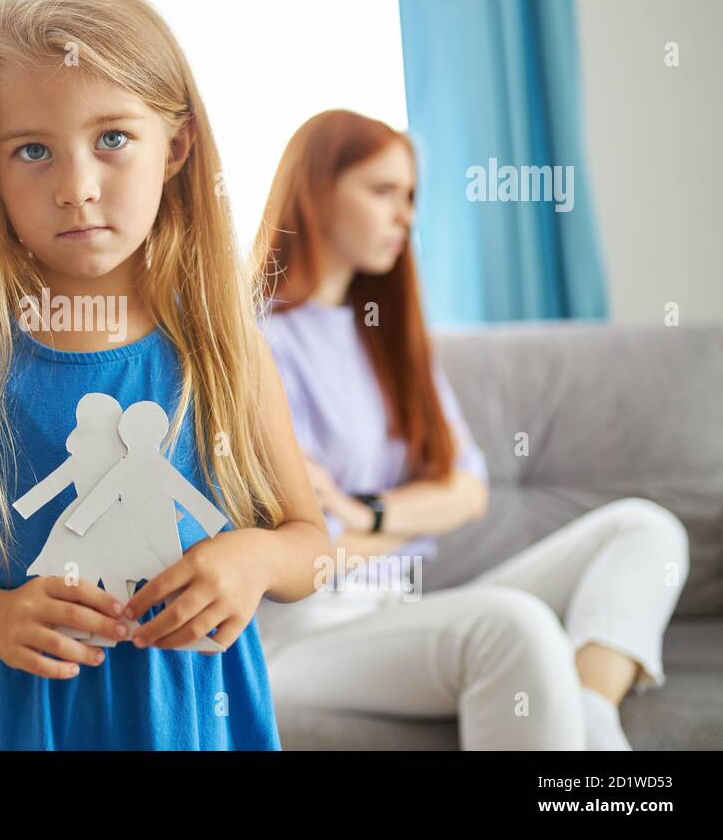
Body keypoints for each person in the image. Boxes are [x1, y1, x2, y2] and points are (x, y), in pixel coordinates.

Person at [0, 0, 330, 750]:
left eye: (112, 139)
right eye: (34, 151)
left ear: (176, 147)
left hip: (182, 716)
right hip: (14, 720)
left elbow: (310, 544)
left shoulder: (220, 343)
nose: (76, 189)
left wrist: (252, 558)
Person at [249, 109, 690, 750]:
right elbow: (313, 547)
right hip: (306, 631)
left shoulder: (389, 339)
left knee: (645, 529)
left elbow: (468, 487)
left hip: (398, 607)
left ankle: (592, 714)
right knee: (512, 625)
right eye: (382, 192)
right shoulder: (259, 342)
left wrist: (366, 512)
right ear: (315, 191)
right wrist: (391, 516)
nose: (405, 216)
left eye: (410, 197)